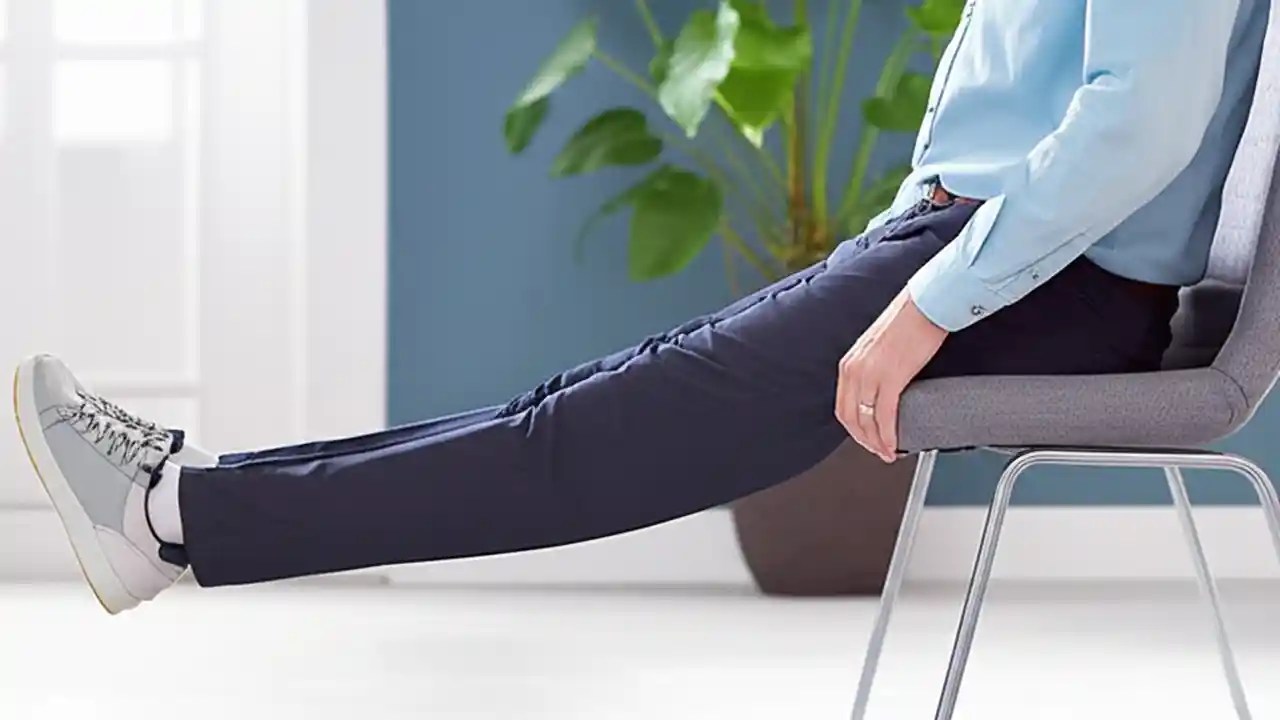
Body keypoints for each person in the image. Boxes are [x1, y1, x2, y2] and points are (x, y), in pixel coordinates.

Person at [13, 0, 1270, 614]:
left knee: (588, 441)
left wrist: (930, 301)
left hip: (1030, 275)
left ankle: (172, 517)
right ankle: (190, 508)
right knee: (578, 413)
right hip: (988, 248)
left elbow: (1135, 123)